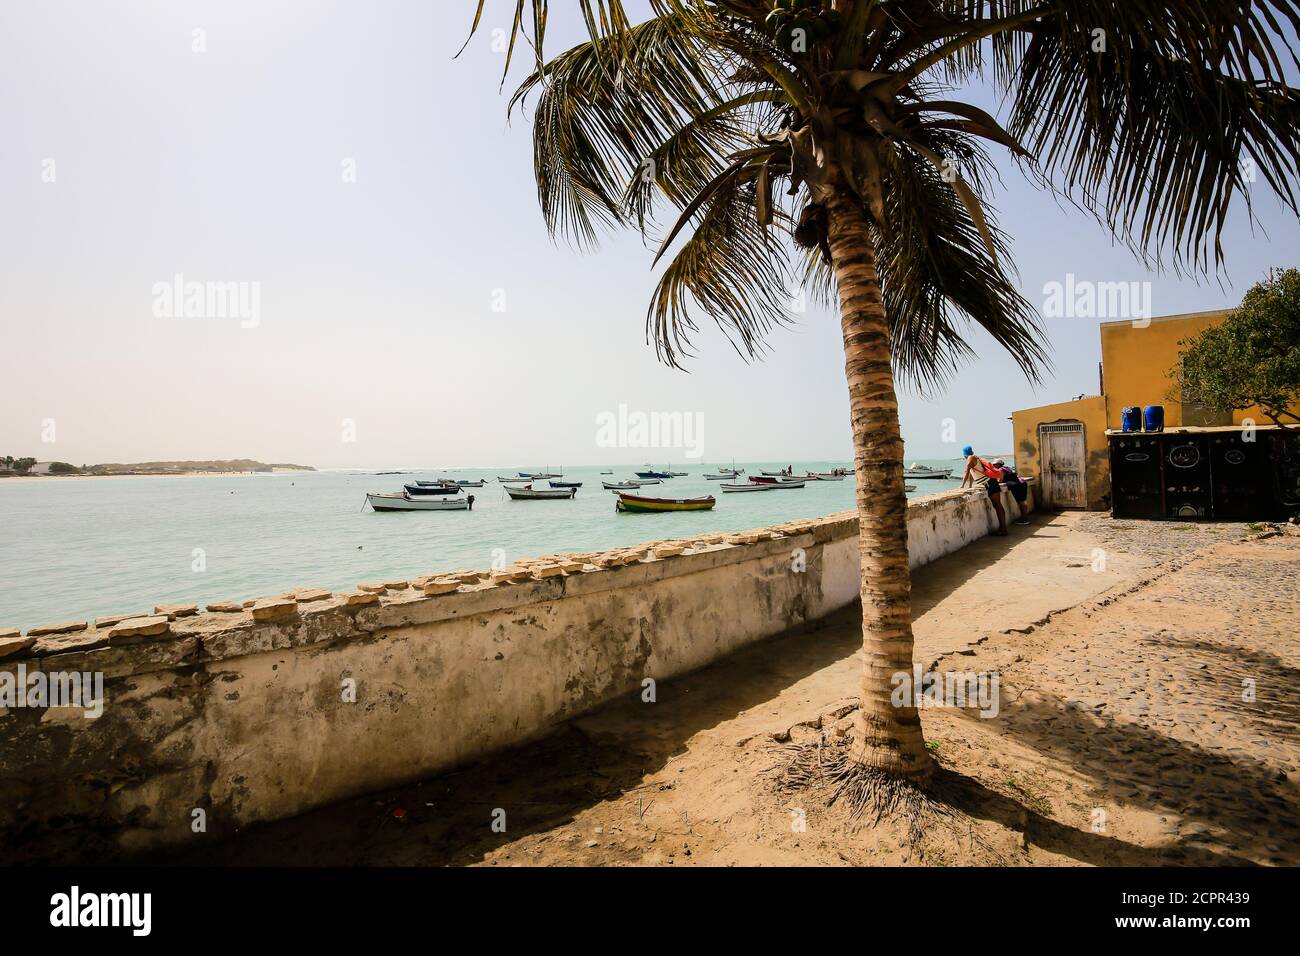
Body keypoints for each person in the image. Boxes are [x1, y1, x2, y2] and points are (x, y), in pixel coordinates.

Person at [960, 444, 1007, 535]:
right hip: (990, 482)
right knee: (998, 505)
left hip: (990, 483)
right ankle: (1002, 529)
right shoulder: (974, 458)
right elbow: (972, 473)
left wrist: (962, 486)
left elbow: (966, 471)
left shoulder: (970, 458)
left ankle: (1003, 530)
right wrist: (970, 485)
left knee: (997, 505)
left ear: (964, 454)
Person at [992, 458, 1030, 525]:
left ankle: (1024, 520)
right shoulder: (1007, 468)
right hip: (1022, 483)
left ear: (998, 465)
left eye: (994, 465)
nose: (993, 466)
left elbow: (1000, 480)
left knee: (1021, 502)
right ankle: (1025, 518)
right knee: (1023, 502)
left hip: (1018, 485)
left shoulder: (1000, 470)